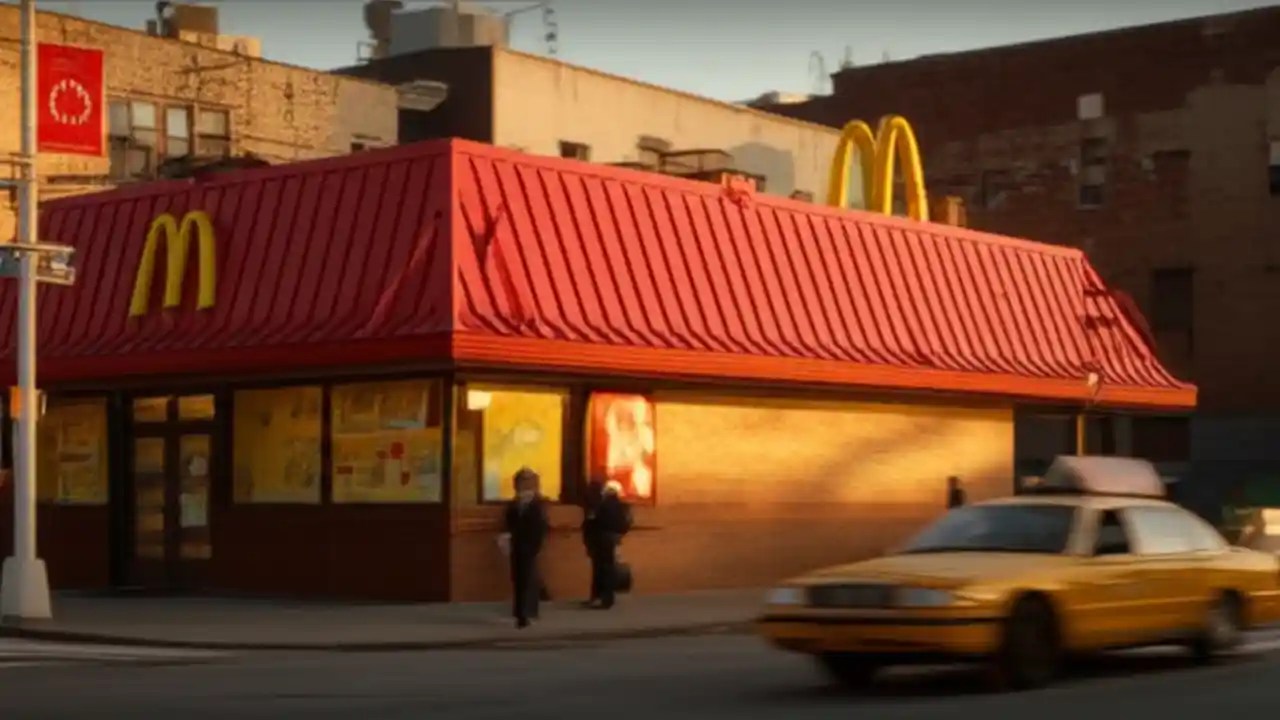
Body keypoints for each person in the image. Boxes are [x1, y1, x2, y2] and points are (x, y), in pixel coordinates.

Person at [502, 467, 549, 629]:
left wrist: (535, 546)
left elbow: (540, 527)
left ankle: (526, 613)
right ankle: (521, 611)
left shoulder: (537, 504)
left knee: (528, 578)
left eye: (527, 482)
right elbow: (509, 521)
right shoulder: (515, 504)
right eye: (521, 482)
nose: (523, 486)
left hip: (529, 546)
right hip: (516, 546)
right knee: (518, 578)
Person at [591, 480, 633, 610]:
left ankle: (603, 598)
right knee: (609, 568)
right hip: (614, 538)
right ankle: (607, 598)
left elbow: (596, 521)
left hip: (603, 539)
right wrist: (620, 534)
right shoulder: (622, 506)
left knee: (602, 569)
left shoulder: (602, 505)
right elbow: (627, 522)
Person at [581, 477, 606, 607]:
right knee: (601, 569)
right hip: (601, 541)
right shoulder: (601, 502)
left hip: (596, 541)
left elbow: (589, 524)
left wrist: (587, 543)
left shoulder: (593, 505)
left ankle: (597, 596)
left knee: (598, 570)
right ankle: (599, 596)